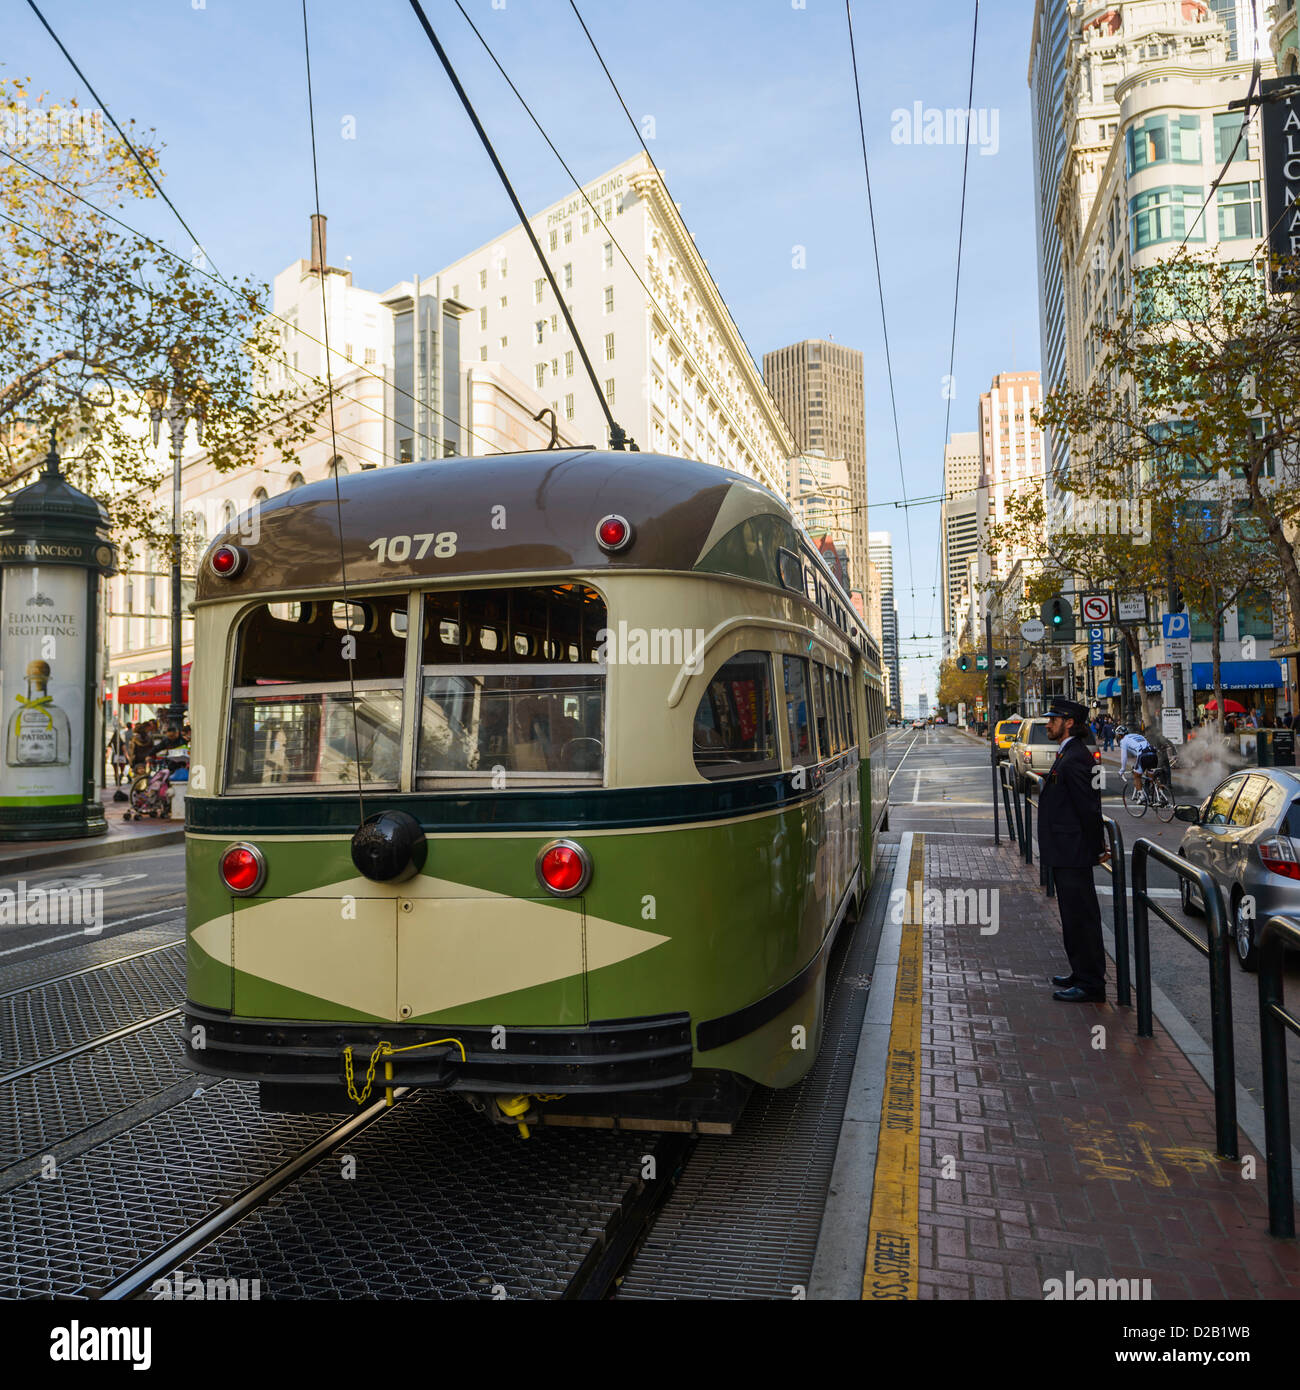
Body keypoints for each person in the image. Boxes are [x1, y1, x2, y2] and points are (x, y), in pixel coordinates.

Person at [1038, 697, 1109, 1002]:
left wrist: (1097, 848)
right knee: (1072, 916)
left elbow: (1089, 809)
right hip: (1065, 851)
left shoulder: (1078, 757)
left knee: (1081, 917)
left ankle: (1091, 983)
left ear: (1068, 723)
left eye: (1053, 719)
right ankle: (1080, 973)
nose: (1048, 723)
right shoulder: (1069, 753)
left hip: (1074, 852)